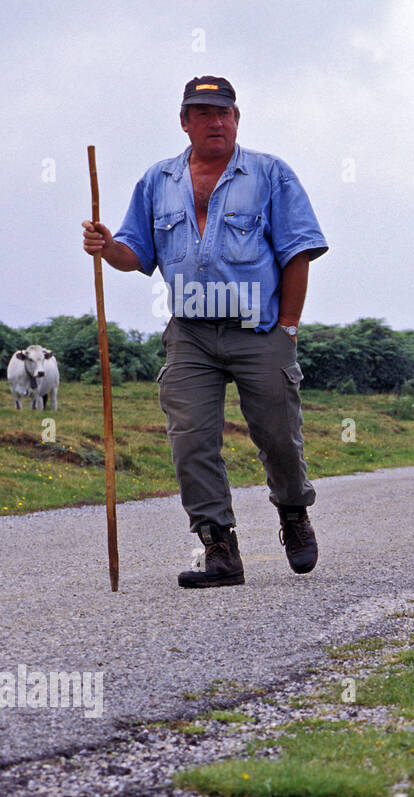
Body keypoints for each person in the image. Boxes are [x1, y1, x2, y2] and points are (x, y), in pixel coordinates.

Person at [81, 76, 328, 588]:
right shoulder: (158, 181)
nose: (216, 122)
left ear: (237, 118)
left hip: (259, 328)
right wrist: (107, 247)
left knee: (279, 435)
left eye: (225, 113)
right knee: (191, 441)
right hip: (190, 332)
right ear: (184, 121)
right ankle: (219, 547)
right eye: (203, 113)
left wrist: (289, 327)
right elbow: (137, 255)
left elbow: (298, 252)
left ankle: (293, 514)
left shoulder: (270, 174)